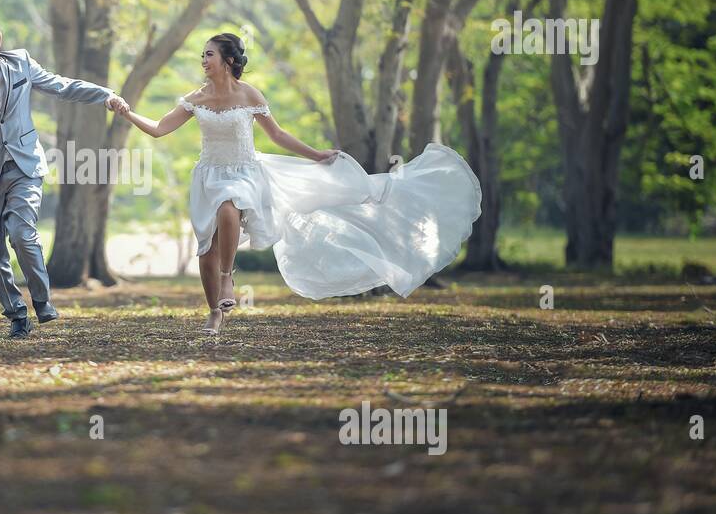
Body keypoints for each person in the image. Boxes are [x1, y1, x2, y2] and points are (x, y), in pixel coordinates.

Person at [118, 32, 482, 333]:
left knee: (229, 209)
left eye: (209, 54)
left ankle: (229, 277)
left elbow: (277, 135)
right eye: (202, 55)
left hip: (245, 172)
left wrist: (316, 155)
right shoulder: (195, 99)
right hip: (207, 175)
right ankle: (215, 311)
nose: (204, 60)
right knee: (205, 249)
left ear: (228, 60)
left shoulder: (250, 95)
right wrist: (127, 111)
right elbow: (159, 129)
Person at [0, 6, 129, 337]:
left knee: (23, 234)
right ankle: (16, 313)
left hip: (26, 165)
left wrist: (105, 96)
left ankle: (43, 301)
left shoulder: (20, 60)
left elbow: (62, 86)